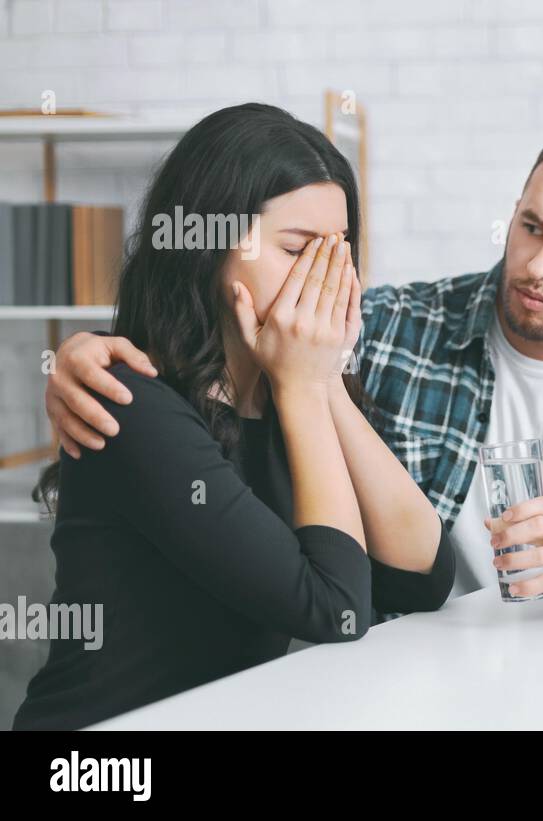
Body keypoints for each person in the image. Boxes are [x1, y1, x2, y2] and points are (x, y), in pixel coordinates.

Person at [43, 122, 543, 612]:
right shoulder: (390, 326)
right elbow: (221, 359)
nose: (540, 264)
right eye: (533, 227)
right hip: (398, 662)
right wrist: (88, 351)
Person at [15, 104, 454, 730]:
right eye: (298, 250)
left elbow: (422, 577)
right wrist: (304, 385)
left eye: (338, 255)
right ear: (210, 249)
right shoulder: (132, 404)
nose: (323, 280)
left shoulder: (288, 392)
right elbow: (337, 611)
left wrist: (321, 380)